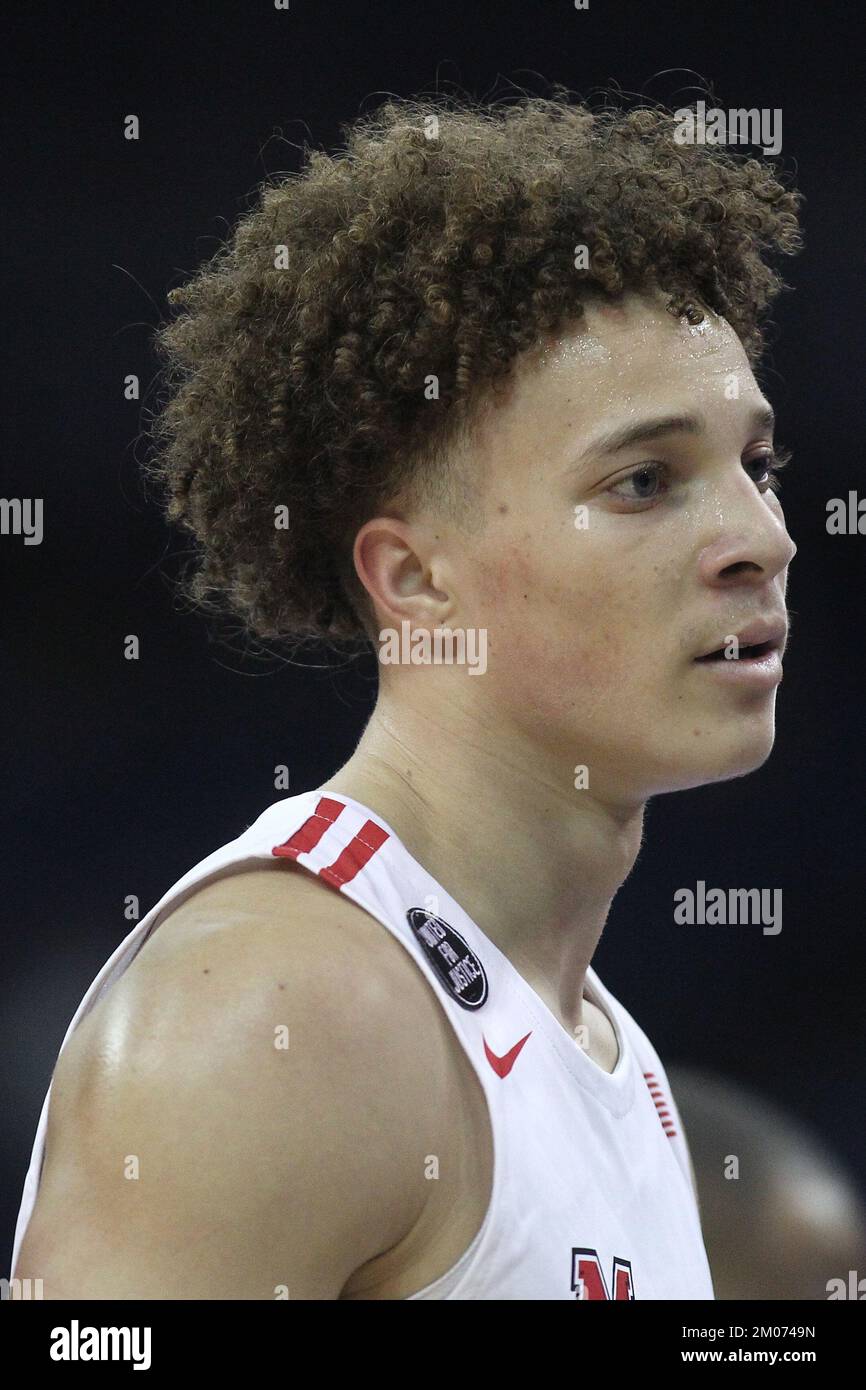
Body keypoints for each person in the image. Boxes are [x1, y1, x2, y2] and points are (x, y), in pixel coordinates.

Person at [10, 87, 803, 1299]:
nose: (760, 538)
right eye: (644, 480)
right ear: (415, 579)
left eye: (754, 465)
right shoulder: (280, 1008)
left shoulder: (605, 1053)